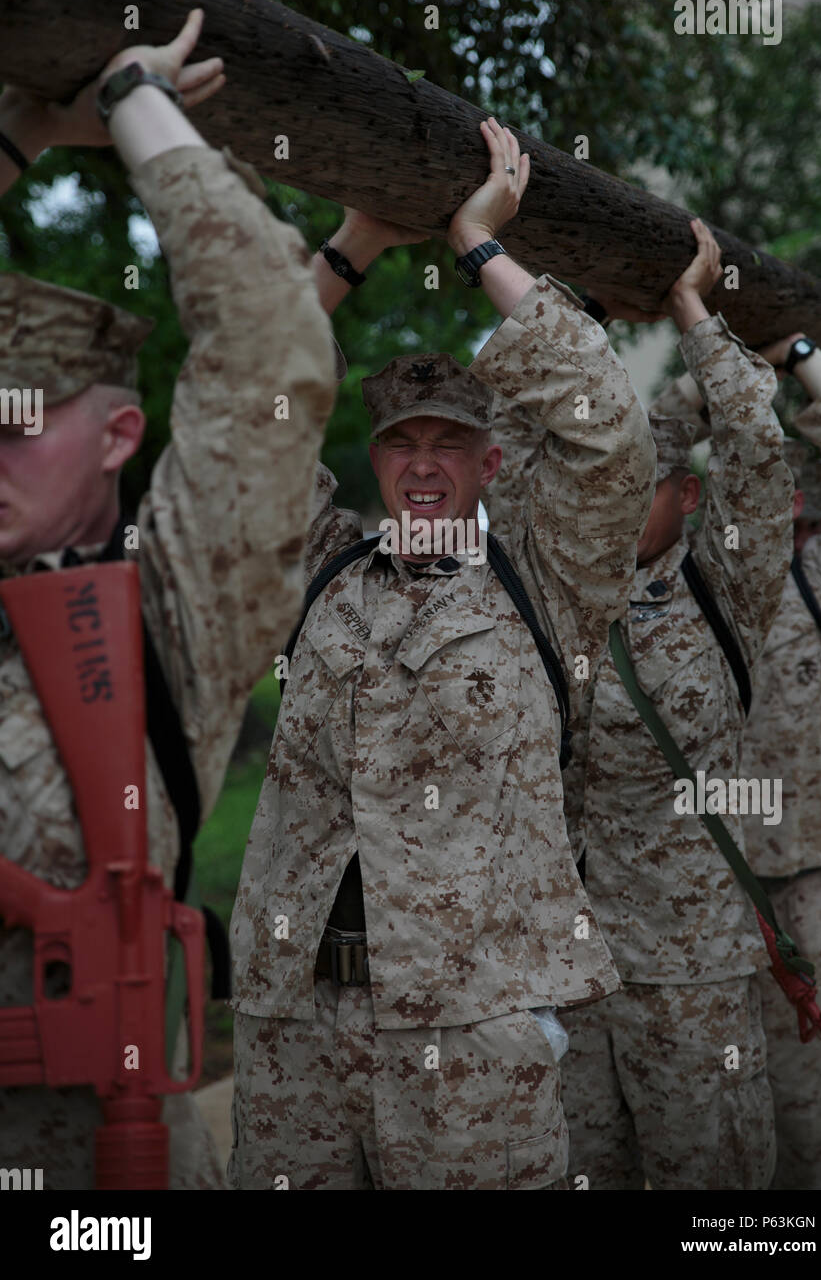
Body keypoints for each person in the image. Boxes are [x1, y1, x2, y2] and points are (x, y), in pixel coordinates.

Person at [228, 116, 656, 1191]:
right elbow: (240, 410)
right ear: (373, 461)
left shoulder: (542, 577)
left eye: (447, 443)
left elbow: (610, 425)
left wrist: (475, 241)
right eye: (400, 442)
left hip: (468, 1029)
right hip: (299, 1019)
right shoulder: (326, 564)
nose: (422, 463)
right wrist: (352, 244)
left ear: (490, 460)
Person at [0, 9, 337, 1188]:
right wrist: (19, 139)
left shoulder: (171, 611)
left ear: (117, 436)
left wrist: (136, 101)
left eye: (16, 431)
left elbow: (266, 346)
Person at [488, 220, 793, 1189]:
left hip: (689, 975)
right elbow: (508, 429)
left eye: (649, 484)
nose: (623, 501)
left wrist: (693, 310)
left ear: (689, 499)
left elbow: (752, 434)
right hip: (564, 974)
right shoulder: (544, 582)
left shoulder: (723, 592)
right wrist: (570, 307)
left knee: (713, 1192)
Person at [738, 303, 821, 1189]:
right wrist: (710, 352)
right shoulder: (645, 584)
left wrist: (808, 359)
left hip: (808, 887)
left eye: (773, 481)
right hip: (679, 912)